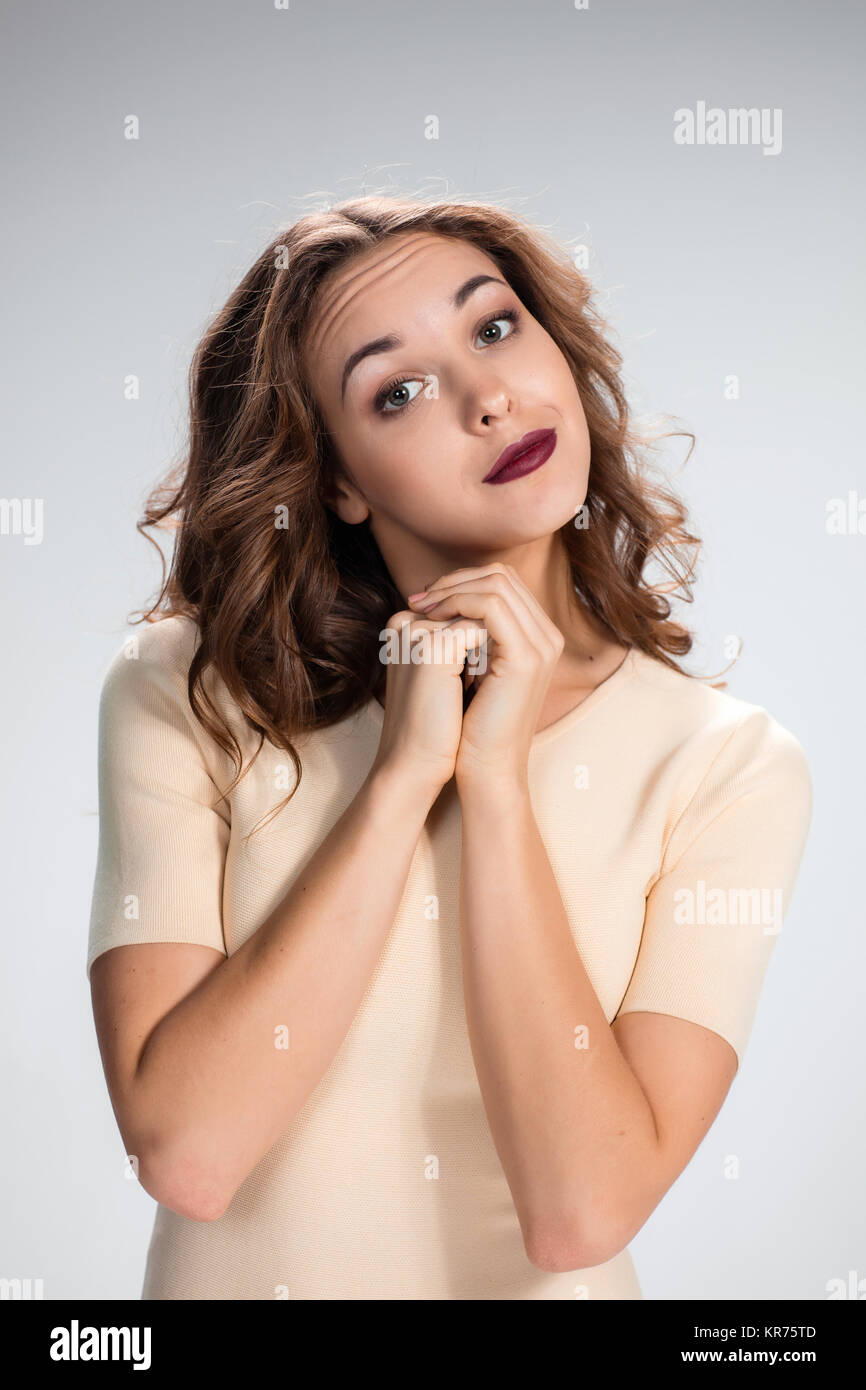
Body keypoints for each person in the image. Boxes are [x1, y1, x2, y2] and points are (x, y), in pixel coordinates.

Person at [86, 194, 812, 1300]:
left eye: (493, 326)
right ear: (333, 477)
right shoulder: (187, 690)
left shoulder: (724, 765)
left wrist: (497, 785)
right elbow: (187, 1152)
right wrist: (398, 783)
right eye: (397, 389)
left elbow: (579, 1214)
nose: (488, 398)